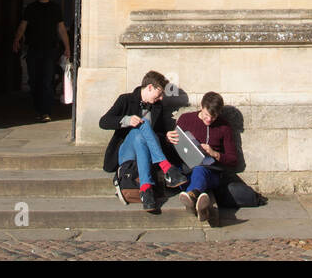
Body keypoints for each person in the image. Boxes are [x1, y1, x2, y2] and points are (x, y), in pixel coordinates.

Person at [99, 70, 188, 212]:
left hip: (146, 152)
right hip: (126, 152)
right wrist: (126, 120)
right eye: (159, 94)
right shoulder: (125, 99)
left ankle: (146, 191)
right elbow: (103, 122)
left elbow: (157, 133)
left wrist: (165, 137)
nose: (161, 98)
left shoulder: (157, 107)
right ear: (150, 87)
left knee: (141, 135)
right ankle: (167, 168)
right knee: (142, 126)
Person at [174, 91, 238, 225]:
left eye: (213, 117)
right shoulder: (186, 119)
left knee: (200, 170)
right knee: (189, 174)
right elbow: (173, 149)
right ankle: (201, 206)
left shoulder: (224, 127)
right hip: (186, 170)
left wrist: (214, 153)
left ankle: (193, 195)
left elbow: (233, 160)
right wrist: (169, 139)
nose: (209, 120)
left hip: (210, 171)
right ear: (201, 106)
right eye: (206, 115)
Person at [12, 0, 72, 121]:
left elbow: (61, 29)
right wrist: (16, 39)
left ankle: (46, 111)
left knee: (47, 80)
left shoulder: (55, 8)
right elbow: (23, 26)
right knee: (34, 81)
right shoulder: (31, 8)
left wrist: (67, 47)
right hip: (33, 50)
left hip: (50, 50)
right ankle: (39, 109)